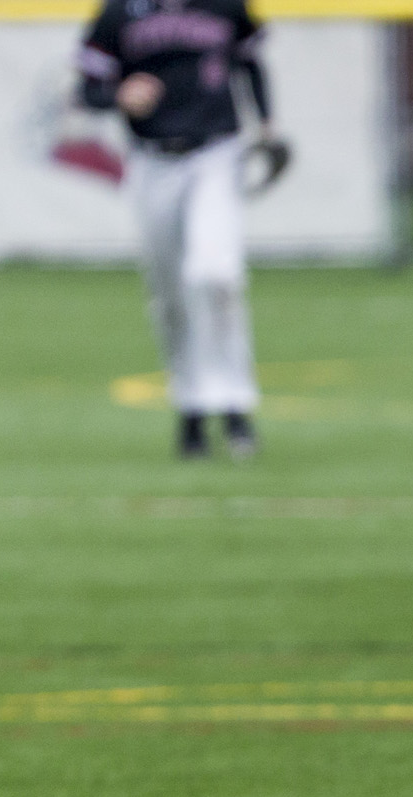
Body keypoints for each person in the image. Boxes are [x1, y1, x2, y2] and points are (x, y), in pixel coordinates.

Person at [76, 0, 269, 460]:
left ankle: (236, 404)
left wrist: (266, 121)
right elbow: (89, 89)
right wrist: (118, 94)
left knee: (217, 274)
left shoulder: (224, 4)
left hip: (216, 154)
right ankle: (192, 409)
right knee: (170, 293)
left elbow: (250, 62)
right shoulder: (119, 12)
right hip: (152, 160)